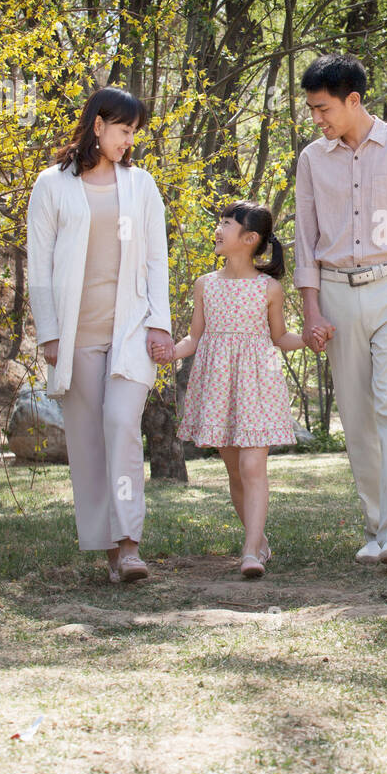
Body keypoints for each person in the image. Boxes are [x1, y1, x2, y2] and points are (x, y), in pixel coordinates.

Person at [294, 53, 387, 567]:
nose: (317, 119)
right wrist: (311, 310)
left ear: (353, 100)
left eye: (323, 108)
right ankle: (375, 527)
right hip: (335, 294)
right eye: (313, 110)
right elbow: (305, 239)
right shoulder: (312, 159)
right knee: (357, 417)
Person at [26, 87, 173, 583]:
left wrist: (160, 323)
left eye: (134, 133)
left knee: (121, 427)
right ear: (98, 125)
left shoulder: (141, 185)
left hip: (130, 328)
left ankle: (131, 545)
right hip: (75, 334)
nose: (129, 142)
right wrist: (48, 332)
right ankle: (110, 551)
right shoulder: (52, 184)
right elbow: (40, 267)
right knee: (88, 443)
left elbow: (156, 258)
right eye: (124, 131)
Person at [152, 202, 311, 579]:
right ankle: (259, 541)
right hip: (217, 384)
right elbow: (195, 336)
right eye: (220, 221)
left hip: (258, 383)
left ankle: (249, 553)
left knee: (253, 465)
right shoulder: (205, 284)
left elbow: (280, 337)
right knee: (235, 471)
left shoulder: (269, 288)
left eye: (227, 223)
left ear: (250, 239)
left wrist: (308, 338)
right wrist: (170, 352)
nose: (219, 229)